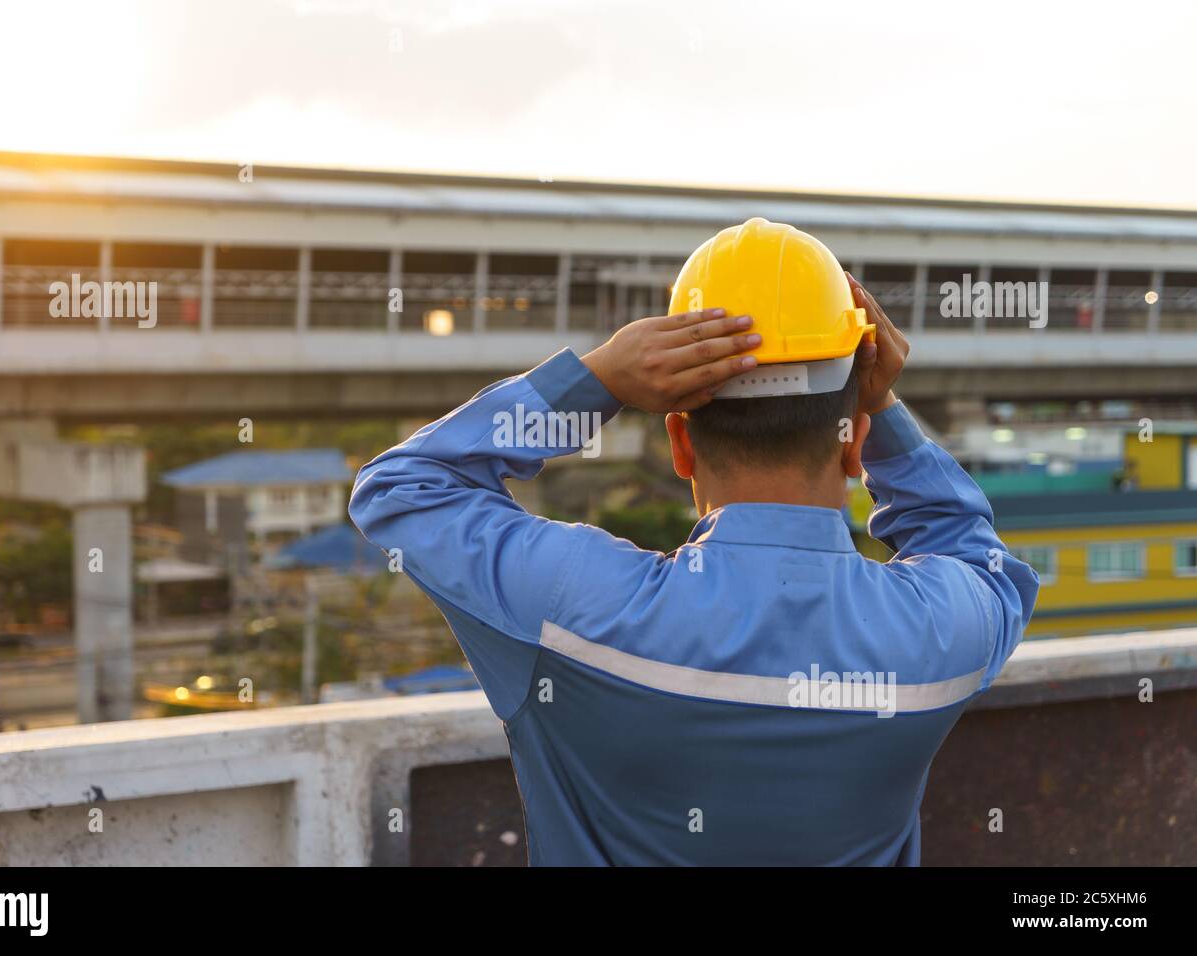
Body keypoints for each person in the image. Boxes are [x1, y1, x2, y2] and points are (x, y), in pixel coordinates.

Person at [350, 221, 1039, 866]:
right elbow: (978, 555)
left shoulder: (572, 605)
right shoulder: (938, 630)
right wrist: (880, 408)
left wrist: (594, 382)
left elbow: (403, 487)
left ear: (680, 442)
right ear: (854, 445)